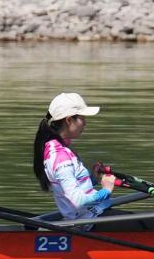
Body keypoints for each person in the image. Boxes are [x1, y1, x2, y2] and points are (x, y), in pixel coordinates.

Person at [33, 92, 117, 222]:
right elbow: (78, 201)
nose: (85, 123)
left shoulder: (57, 149)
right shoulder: (61, 158)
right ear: (69, 120)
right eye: (82, 118)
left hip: (95, 214)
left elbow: (70, 188)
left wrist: (93, 178)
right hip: (89, 221)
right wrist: (106, 190)